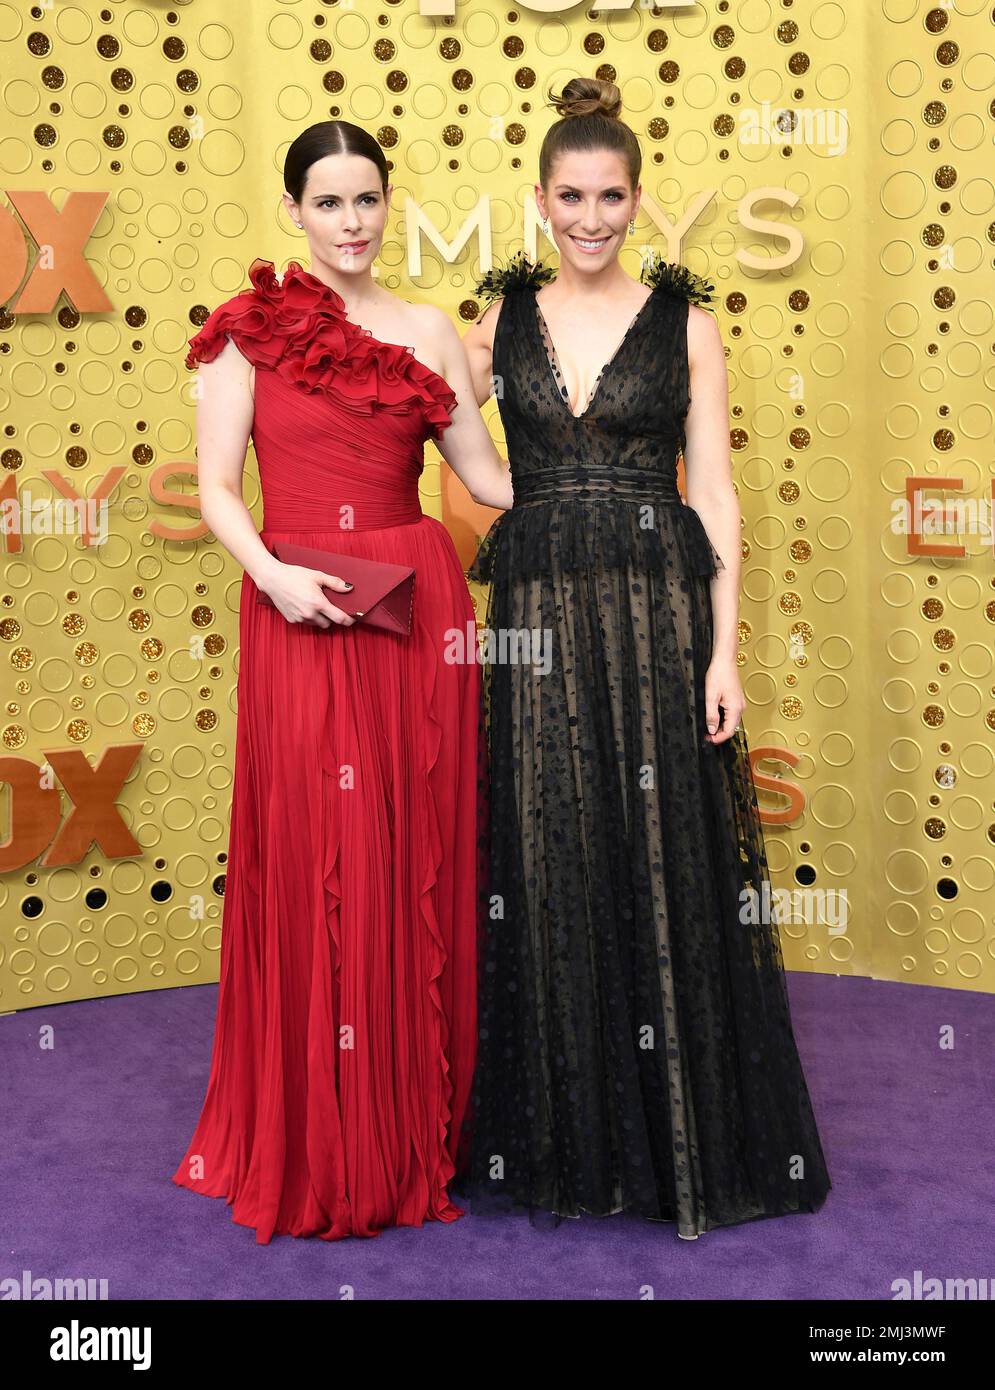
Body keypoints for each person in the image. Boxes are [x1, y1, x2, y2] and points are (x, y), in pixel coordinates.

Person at [453, 77, 831, 1238]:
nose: (590, 216)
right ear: (537, 197)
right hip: (537, 619)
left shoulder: (688, 323)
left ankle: (674, 1141)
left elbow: (710, 491)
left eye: (610, 195)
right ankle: (568, 1137)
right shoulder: (489, 325)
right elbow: (433, 440)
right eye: (569, 195)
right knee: (550, 856)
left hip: (658, 618)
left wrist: (725, 653)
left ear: (636, 198)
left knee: (665, 863)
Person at [171, 120, 511, 1243]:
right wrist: (270, 575)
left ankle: (417, 1125)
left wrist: (594, 449)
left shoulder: (427, 329)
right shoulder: (245, 335)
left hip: (417, 608)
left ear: (386, 204)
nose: (352, 222)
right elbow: (219, 486)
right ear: (293, 212)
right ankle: (324, 1128)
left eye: (368, 200)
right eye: (329, 203)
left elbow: (483, 481)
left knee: (415, 852)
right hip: (300, 601)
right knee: (329, 859)